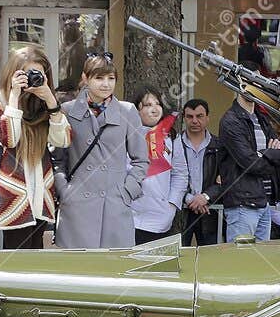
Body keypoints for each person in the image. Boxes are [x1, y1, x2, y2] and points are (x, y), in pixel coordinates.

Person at [0, 44, 71, 251]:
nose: (32, 79)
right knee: (18, 257)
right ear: (13, 74)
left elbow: (63, 140)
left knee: (34, 257)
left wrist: (50, 99)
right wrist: (15, 96)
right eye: (26, 74)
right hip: (13, 192)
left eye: (39, 74)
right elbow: (9, 139)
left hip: (41, 190)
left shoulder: (44, 102)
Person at [53, 53, 147, 250]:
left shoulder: (127, 111)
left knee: (115, 272)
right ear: (85, 79)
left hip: (115, 205)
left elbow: (141, 160)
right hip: (77, 207)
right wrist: (65, 191)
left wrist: (127, 191)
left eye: (111, 78)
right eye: (99, 78)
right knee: (78, 273)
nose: (106, 84)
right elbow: (58, 159)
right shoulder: (67, 111)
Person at [215, 90, 280, 243]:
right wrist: (270, 154)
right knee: (241, 263)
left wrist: (263, 154)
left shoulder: (262, 118)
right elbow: (251, 164)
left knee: (259, 264)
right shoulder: (230, 120)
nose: (256, 89)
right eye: (251, 82)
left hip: (265, 202)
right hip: (243, 205)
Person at [169, 98, 220, 247]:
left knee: (209, 260)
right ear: (184, 118)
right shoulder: (174, 144)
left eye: (199, 116)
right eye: (190, 116)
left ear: (208, 118)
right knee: (179, 257)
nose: (195, 121)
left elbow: (225, 180)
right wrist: (190, 199)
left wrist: (205, 197)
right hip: (181, 211)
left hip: (210, 211)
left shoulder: (219, 146)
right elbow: (170, 179)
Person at [132, 89, 179, 245]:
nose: (154, 108)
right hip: (131, 217)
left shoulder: (171, 137)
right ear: (137, 110)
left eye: (157, 104)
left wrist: (172, 205)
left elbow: (180, 174)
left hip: (161, 218)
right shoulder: (126, 135)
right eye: (147, 105)